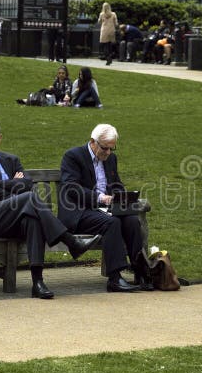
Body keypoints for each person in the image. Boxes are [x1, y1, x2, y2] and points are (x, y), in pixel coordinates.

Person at [0, 119, 100, 299]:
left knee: (32, 219)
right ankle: (70, 241)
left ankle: (38, 282)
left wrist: (0, 183)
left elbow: (26, 183)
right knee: (29, 199)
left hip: (15, 215)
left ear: (0, 138)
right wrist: (14, 186)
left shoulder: (11, 160)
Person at [58, 123, 149, 292]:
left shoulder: (110, 158)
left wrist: (121, 195)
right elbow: (71, 188)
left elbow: (116, 184)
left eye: (111, 149)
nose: (108, 153)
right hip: (79, 211)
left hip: (104, 210)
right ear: (93, 142)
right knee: (112, 223)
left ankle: (140, 272)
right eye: (105, 148)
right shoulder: (73, 156)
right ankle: (114, 279)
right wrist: (100, 198)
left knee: (131, 221)